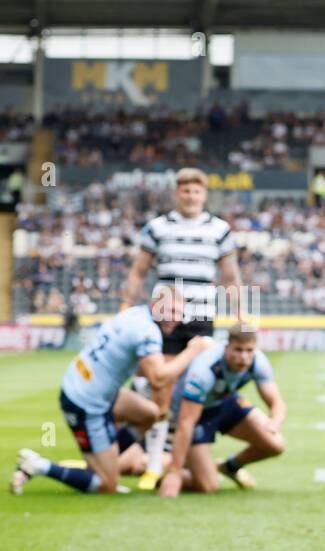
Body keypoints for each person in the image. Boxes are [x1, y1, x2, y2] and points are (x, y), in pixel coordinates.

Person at [12, 286, 209, 495]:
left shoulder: (134, 314)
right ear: (155, 305)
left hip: (90, 386)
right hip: (86, 402)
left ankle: (104, 457)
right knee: (107, 485)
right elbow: (158, 378)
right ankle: (38, 465)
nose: (175, 318)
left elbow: (140, 368)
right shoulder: (148, 332)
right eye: (170, 311)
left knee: (151, 414)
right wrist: (192, 351)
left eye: (179, 313)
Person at [120, 167, 243, 490]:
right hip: (165, 316)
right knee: (160, 385)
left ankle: (184, 456)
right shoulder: (158, 227)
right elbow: (138, 271)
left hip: (202, 317)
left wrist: (240, 313)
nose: (190, 196)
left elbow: (230, 276)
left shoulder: (219, 229)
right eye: (185, 190)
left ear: (204, 195)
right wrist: (124, 307)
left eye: (196, 191)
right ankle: (154, 461)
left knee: (193, 387)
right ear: (177, 193)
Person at [159, 329, 286, 498]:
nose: (244, 357)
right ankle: (170, 473)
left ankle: (230, 466)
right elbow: (186, 422)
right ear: (227, 347)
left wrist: (273, 423)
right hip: (196, 412)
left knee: (275, 444)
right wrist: (175, 473)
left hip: (226, 402)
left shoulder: (258, 361)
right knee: (208, 486)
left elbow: (277, 403)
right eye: (238, 350)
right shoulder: (204, 371)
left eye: (249, 350)